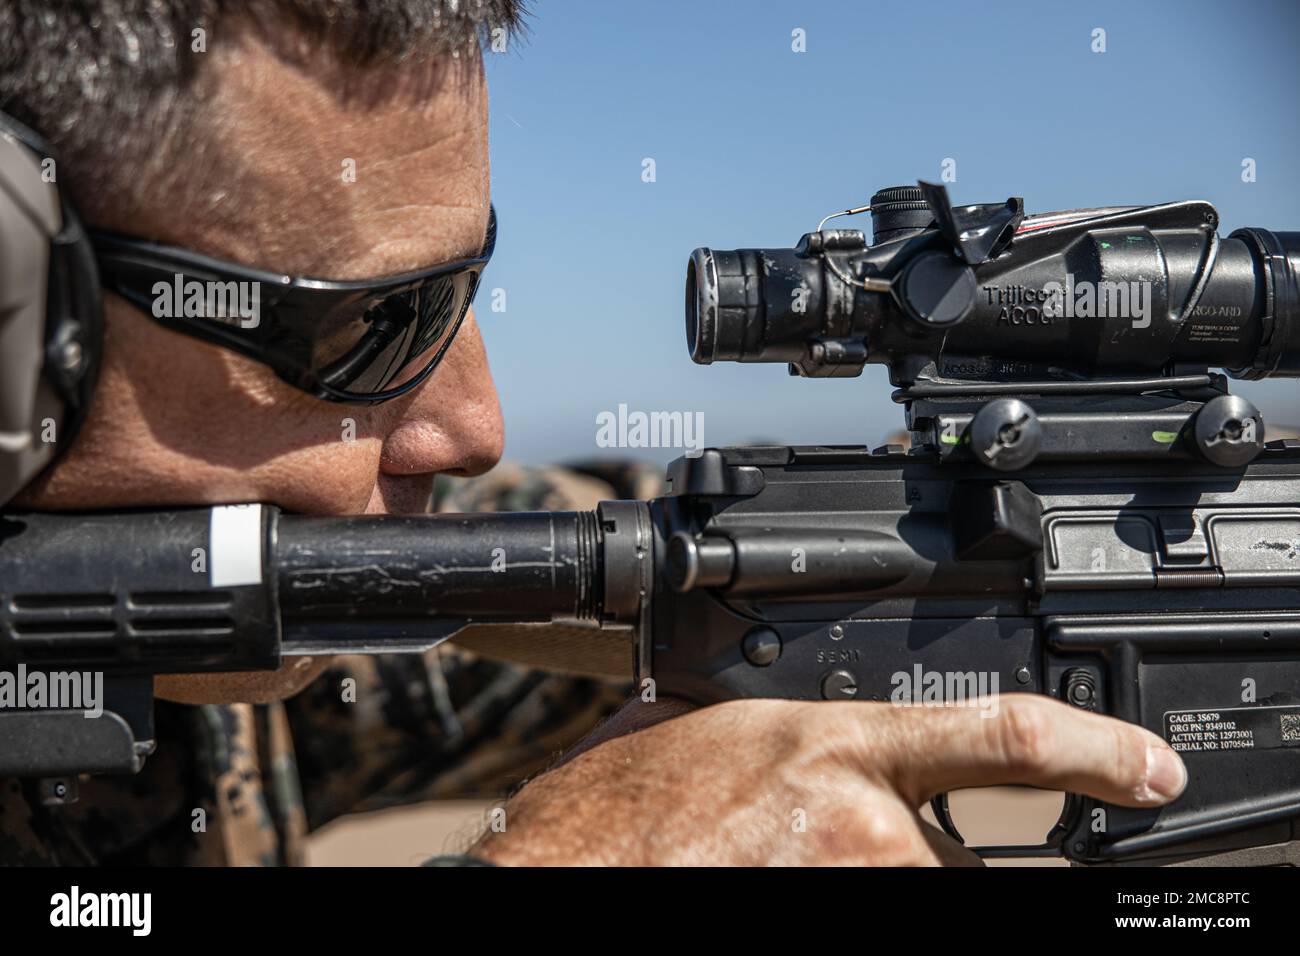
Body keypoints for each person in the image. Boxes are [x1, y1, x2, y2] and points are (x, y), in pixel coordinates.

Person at [0, 0, 1187, 866]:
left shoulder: (194, 617)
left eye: (460, 296)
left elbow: (594, 557)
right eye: (371, 326)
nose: (471, 425)